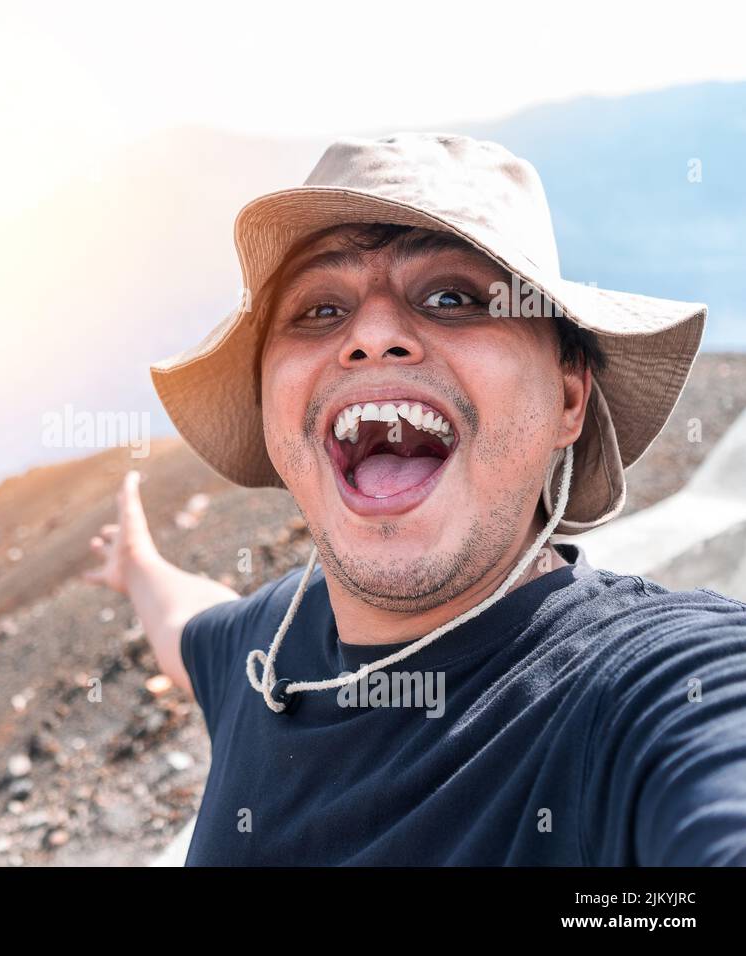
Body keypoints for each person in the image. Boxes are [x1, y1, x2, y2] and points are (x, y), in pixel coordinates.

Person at [84, 132, 746, 865]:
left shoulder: (650, 688)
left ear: (568, 398)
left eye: (452, 297)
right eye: (319, 310)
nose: (372, 335)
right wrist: (134, 563)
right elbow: (186, 617)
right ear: (272, 409)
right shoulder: (268, 646)